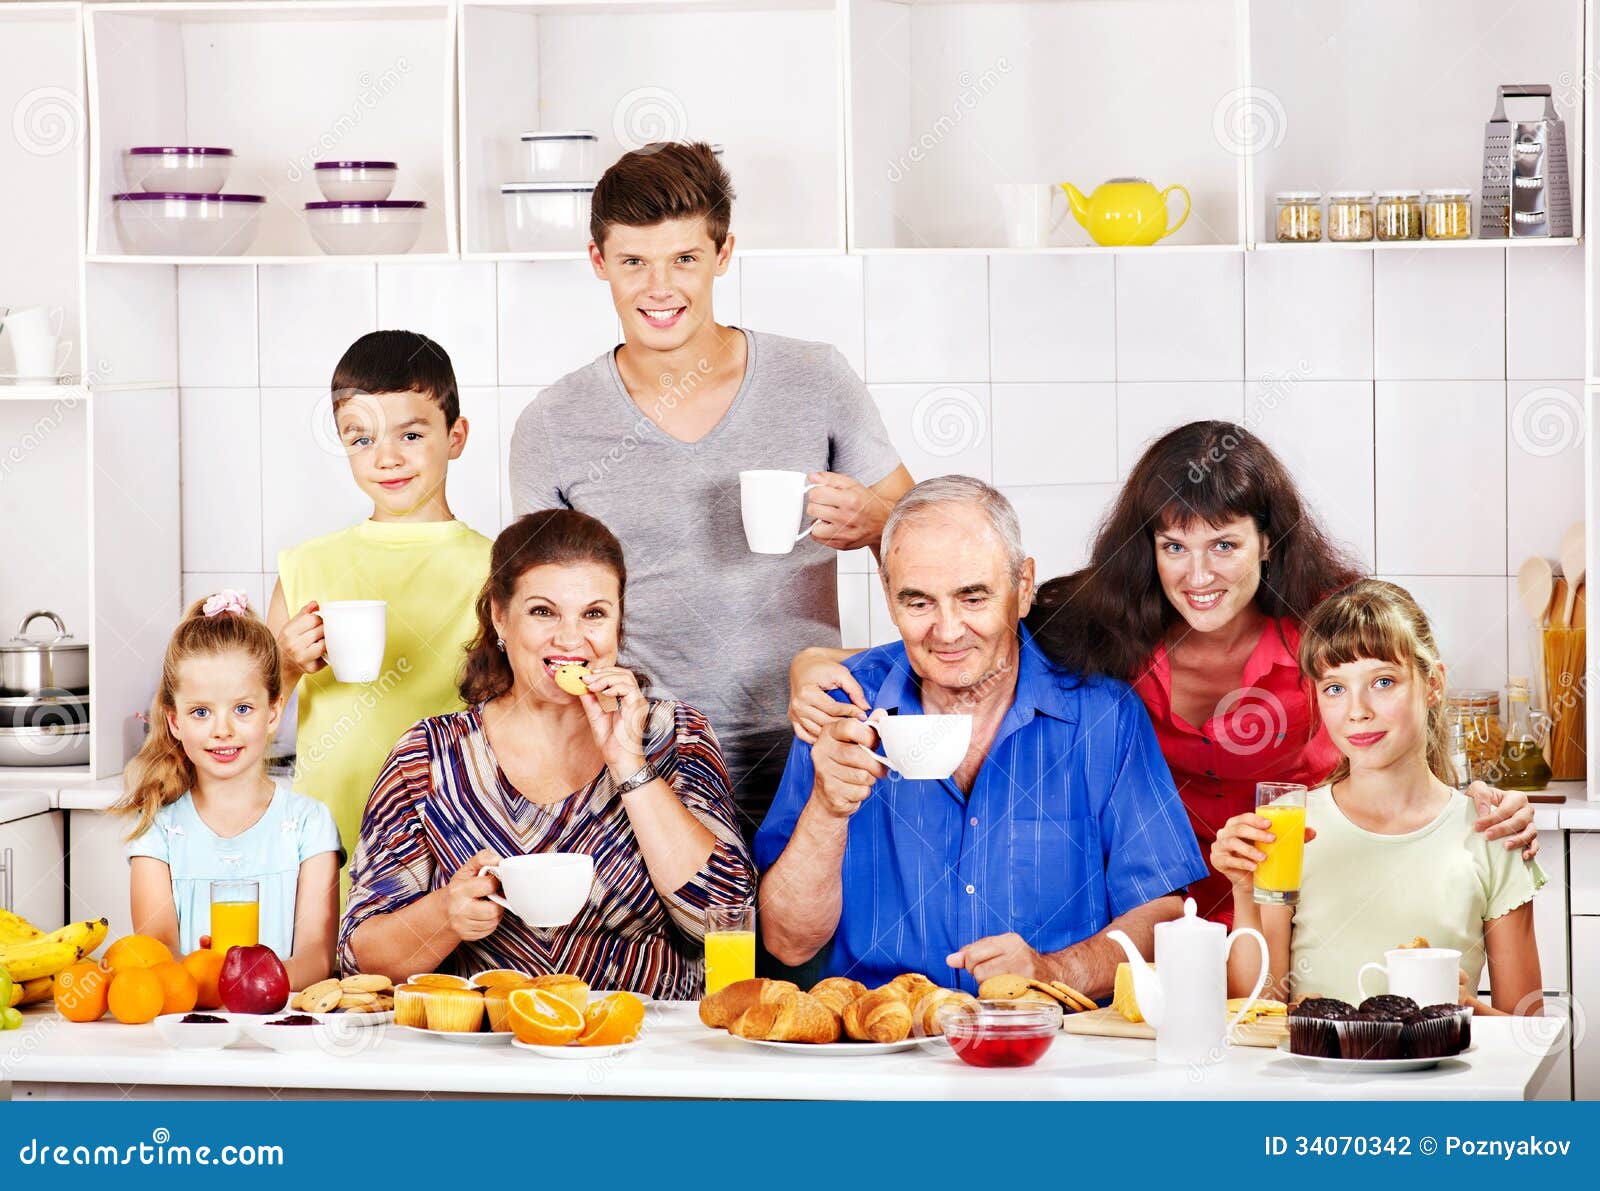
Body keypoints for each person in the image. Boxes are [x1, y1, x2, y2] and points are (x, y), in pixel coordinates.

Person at [509, 142, 913, 840]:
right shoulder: (552, 424)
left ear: (723, 254)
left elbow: (927, 548)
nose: (659, 287)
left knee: (805, 949)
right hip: (641, 762)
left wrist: (877, 520)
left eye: (684, 259)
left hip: (811, 749)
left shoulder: (815, 378)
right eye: (634, 261)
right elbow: (540, 619)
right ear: (598, 261)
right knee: (674, 954)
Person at [1006, 421, 1537, 925]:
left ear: (1267, 540)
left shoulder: (1329, 624)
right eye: (1174, 547)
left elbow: (1406, 722)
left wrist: (1470, 807)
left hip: (1311, 918)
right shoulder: (1094, 627)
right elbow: (961, 638)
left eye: (1223, 545)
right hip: (1154, 931)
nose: (1198, 576)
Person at [755, 477, 1209, 995]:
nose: (947, 632)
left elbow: (1163, 917)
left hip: (1051, 1046)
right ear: (886, 592)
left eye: (972, 598)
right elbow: (788, 943)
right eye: (918, 603)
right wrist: (827, 810)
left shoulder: (1103, 715)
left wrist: (1052, 972)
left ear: (1024, 586)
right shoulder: (838, 708)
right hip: (882, 1048)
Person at [339, 510, 755, 996]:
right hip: (491, 1049)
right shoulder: (427, 755)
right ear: (500, 615)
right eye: (543, 612)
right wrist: (445, 915)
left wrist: (630, 766)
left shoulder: (674, 733)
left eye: (594, 614)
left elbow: (724, 923)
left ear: (618, 622)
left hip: (649, 1049)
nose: (571, 639)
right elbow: (360, 961)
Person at [1218, 580, 1544, 1013]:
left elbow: (1525, 1030)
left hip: (1438, 1078)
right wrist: (1244, 892)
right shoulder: (1291, 826)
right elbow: (1254, 1012)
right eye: (1335, 688)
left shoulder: (1491, 830)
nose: (1358, 710)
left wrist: (1462, 1008)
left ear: (1433, 685)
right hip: (1313, 1079)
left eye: (1383, 681)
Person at [267, 330, 492, 879]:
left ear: (455, 436)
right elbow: (247, 726)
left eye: (410, 434)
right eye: (361, 439)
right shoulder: (303, 567)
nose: (386, 459)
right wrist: (287, 666)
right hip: (328, 844)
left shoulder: (501, 570)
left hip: (455, 840)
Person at [116, 592, 341, 989]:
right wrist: (219, 985)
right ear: (174, 721)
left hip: (286, 1029)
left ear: (273, 712)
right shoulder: (158, 830)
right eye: (201, 712)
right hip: (193, 1029)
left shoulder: (309, 824)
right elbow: (159, 950)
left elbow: (316, 957)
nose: (222, 729)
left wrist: (249, 987)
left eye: (242, 709)